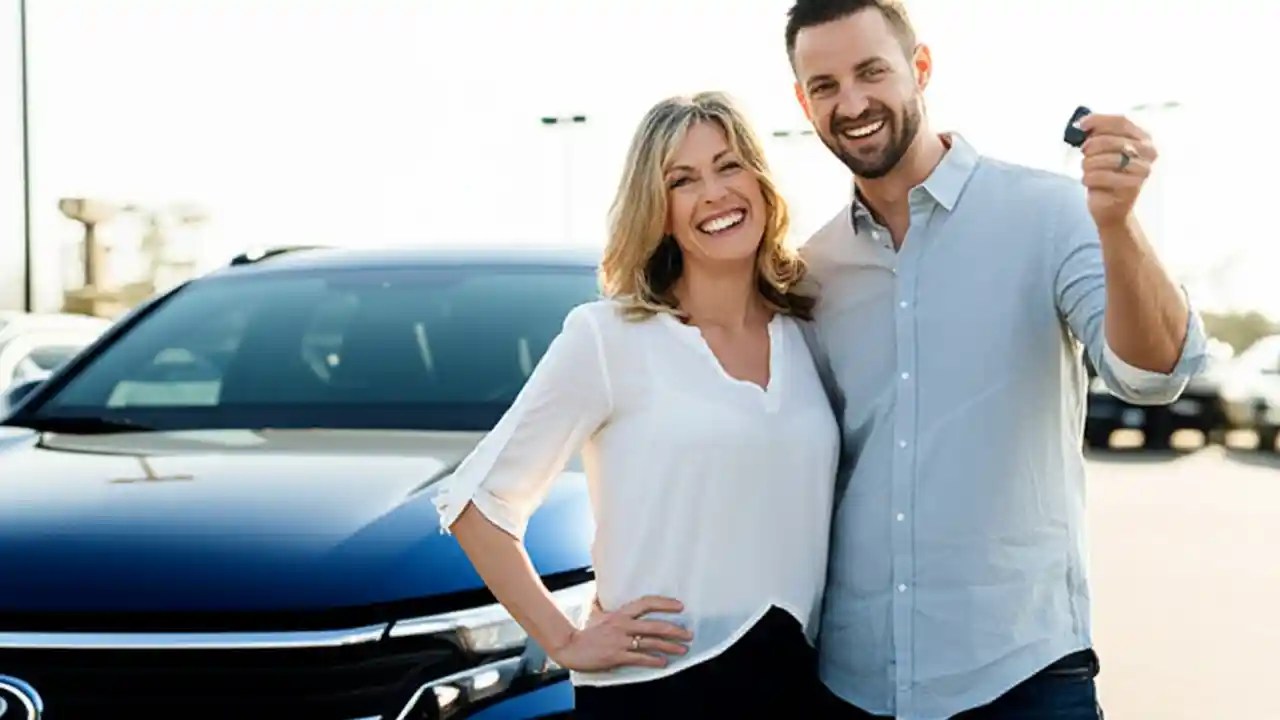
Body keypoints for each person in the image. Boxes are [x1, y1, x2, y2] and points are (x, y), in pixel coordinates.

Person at [781, 1, 1208, 718]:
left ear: (920, 68)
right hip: (853, 686)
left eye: (871, 71)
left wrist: (1119, 225)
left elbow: (1155, 373)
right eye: (824, 85)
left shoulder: (1049, 214)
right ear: (803, 101)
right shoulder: (812, 272)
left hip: (1024, 678)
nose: (851, 103)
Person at [431, 91, 840, 718]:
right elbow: (478, 503)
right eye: (683, 180)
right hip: (660, 690)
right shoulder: (609, 336)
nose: (714, 193)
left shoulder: (808, 331)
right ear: (660, 211)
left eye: (729, 166)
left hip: (797, 681)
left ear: (761, 181)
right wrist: (564, 639)